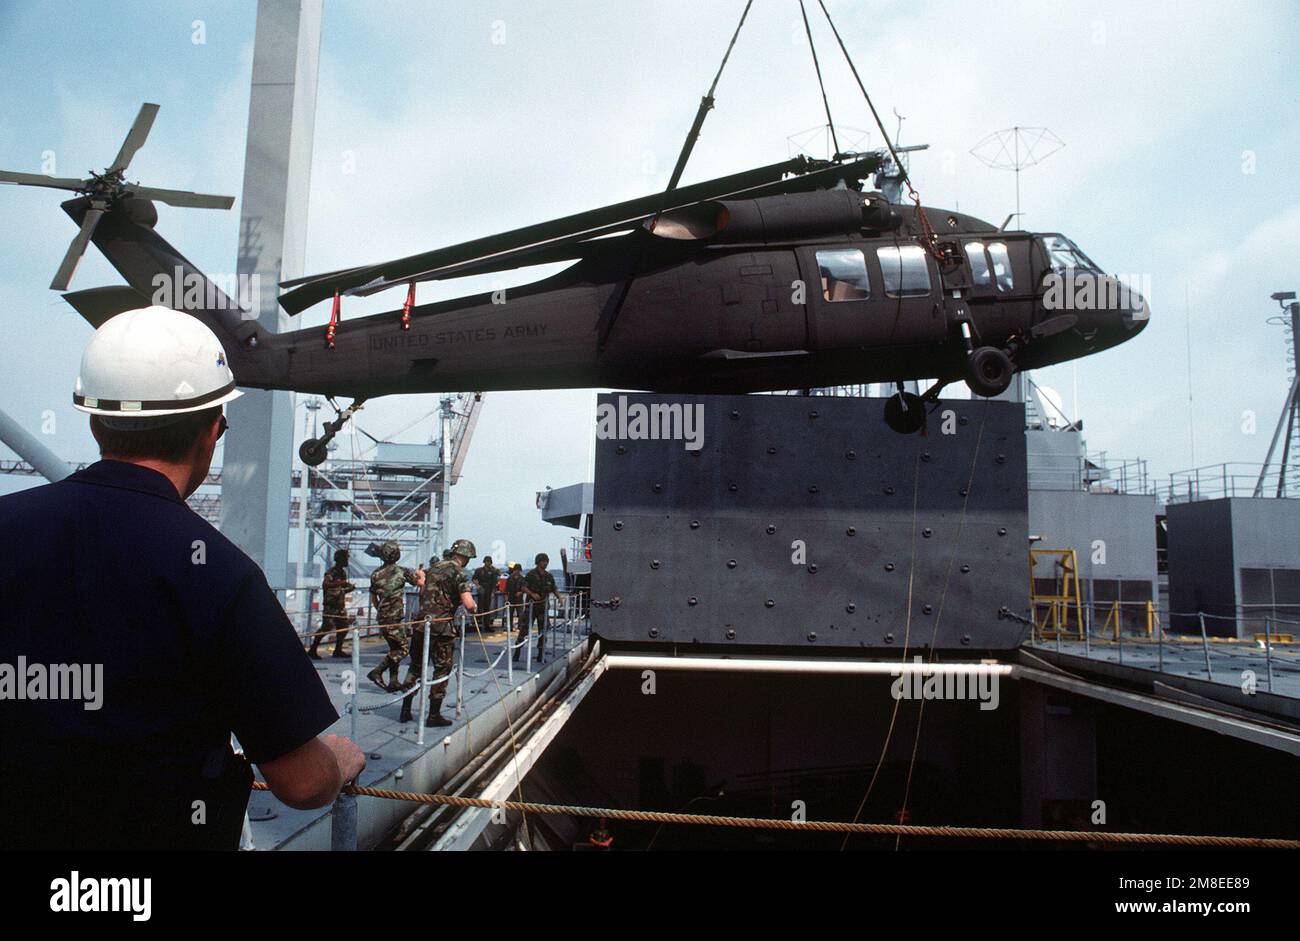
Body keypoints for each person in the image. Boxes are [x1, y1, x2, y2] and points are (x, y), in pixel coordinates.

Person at [0, 305, 365, 850]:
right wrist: (338, 761)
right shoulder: (219, 572)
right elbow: (302, 782)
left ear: (95, 420)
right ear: (212, 430)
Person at [400, 539, 477, 727]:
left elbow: (422, 592)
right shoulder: (459, 573)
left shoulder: (433, 568)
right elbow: (468, 604)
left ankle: (405, 709)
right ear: (465, 557)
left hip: (421, 625)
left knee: (415, 667)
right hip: (441, 629)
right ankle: (433, 715)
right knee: (442, 669)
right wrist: (474, 608)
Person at [367, 540, 422, 692]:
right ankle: (377, 671)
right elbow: (420, 584)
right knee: (403, 649)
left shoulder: (375, 574)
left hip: (382, 617)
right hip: (395, 617)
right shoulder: (402, 571)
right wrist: (421, 574)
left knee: (394, 647)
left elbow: (373, 598)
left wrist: (382, 610)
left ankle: (393, 681)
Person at [310, 548, 355, 659]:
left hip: (340, 605)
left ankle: (338, 650)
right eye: (345, 558)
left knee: (343, 627)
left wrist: (349, 587)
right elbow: (326, 584)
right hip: (331, 606)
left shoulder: (342, 573)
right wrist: (341, 582)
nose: (347, 560)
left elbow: (341, 589)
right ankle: (312, 650)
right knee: (326, 627)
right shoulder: (331, 572)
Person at [523, 553, 563, 662]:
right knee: (524, 630)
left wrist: (560, 598)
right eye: (543, 561)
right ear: (538, 562)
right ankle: (517, 652)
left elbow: (554, 588)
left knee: (543, 632)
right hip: (531, 607)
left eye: (546, 561)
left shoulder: (548, 576)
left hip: (543, 608)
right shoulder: (531, 574)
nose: (545, 563)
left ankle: (541, 655)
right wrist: (531, 593)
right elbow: (523, 587)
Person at [506, 562, 529, 661]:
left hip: (519, 598)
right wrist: (506, 599)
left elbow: (525, 588)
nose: (517, 572)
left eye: (518, 570)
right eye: (516, 570)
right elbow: (506, 589)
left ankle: (520, 626)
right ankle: (510, 626)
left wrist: (521, 592)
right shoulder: (509, 578)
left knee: (520, 613)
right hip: (511, 597)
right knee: (510, 613)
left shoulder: (522, 579)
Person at [472, 555, 500, 630]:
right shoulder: (479, 570)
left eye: (489, 562)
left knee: (487, 608)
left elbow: (494, 583)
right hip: (481, 589)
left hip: (489, 590)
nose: (488, 563)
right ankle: (479, 623)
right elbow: (474, 579)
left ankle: (487, 625)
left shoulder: (493, 571)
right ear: (484, 562)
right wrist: (477, 585)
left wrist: (492, 593)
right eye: (487, 561)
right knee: (480, 607)